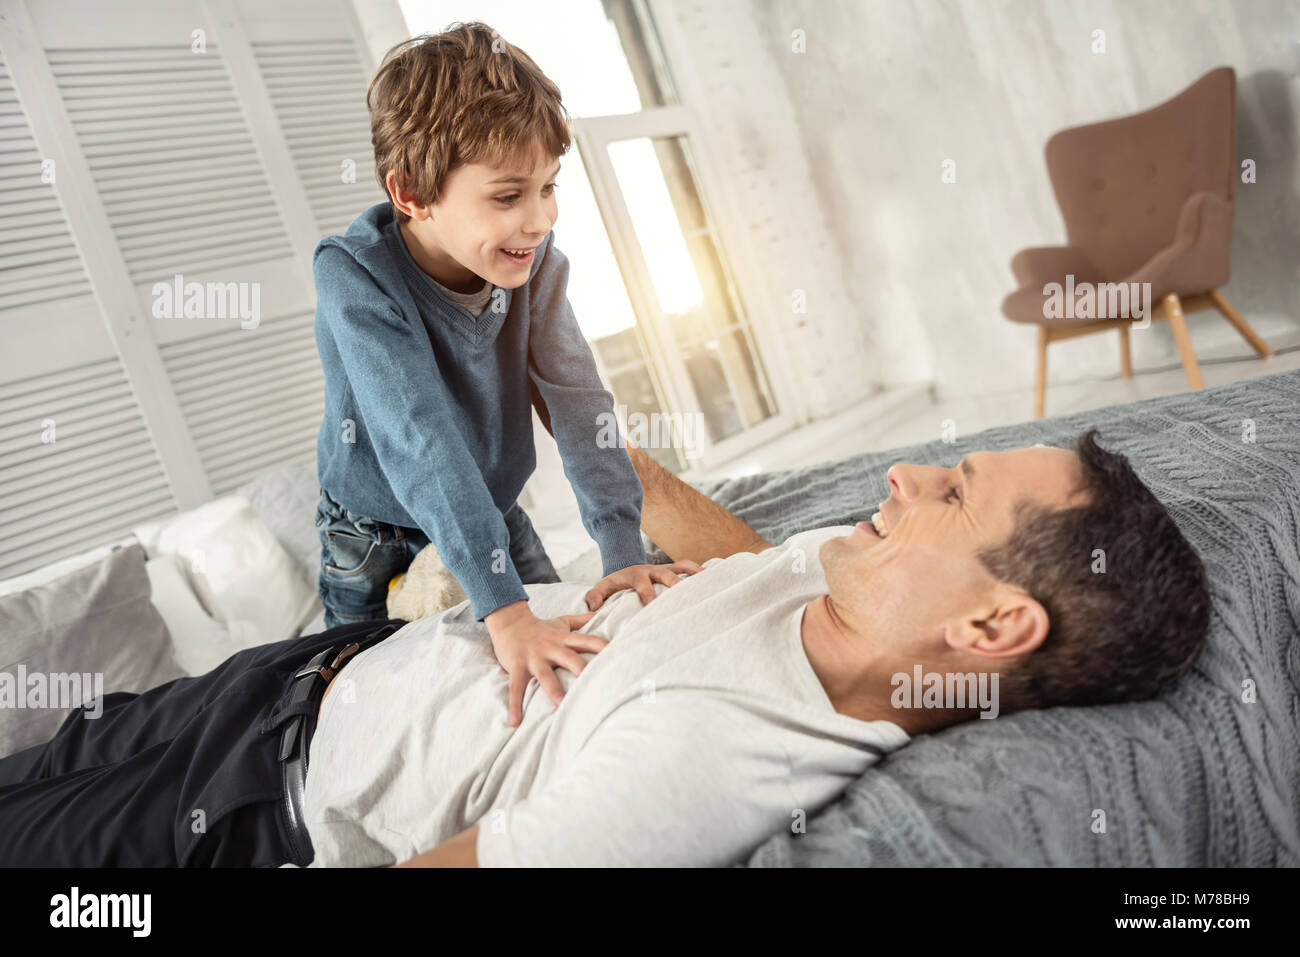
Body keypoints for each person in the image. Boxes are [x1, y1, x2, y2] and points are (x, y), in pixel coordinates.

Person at [0, 429, 1212, 868]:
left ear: (993, 628)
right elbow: (747, 555)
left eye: (952, 495)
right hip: (307, 672)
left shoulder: (710, 764)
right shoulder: (848, 578)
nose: (906, 472)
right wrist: (603, 451)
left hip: (249, 806)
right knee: (48, 754)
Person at [312, 23, 678, 725]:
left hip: (488, 505)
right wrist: (505, 612)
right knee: (354, 701)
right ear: (412, 191)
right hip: (373, 528)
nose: (540, 218)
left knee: (566, 659)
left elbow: (579, 403)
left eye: (549, 187)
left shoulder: (535, 263)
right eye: (509, 196)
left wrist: (621, 549)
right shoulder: (355, 277)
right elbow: (422, 439)